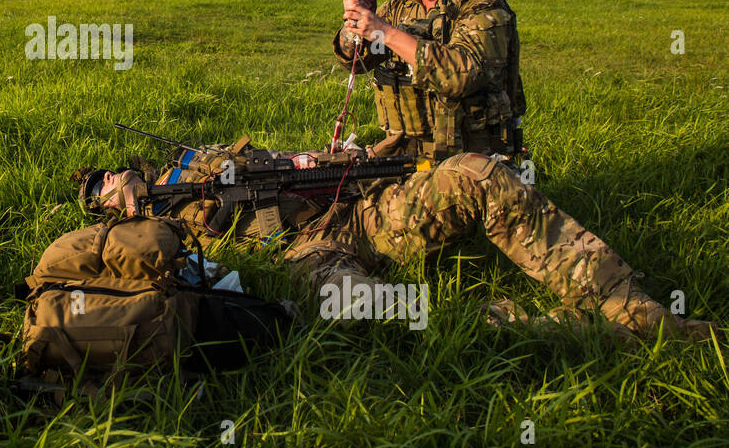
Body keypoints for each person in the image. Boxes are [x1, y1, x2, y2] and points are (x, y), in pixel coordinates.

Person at [77, 147, 720, 342]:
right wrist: (139, 220)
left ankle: (637, 312)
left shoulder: (201, 160)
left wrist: (328, 159)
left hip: (356, 213)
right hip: (304, 257)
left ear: (127, 166)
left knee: (477, 175)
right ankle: (571, 333)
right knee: (383, 315)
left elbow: (285, 161)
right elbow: (152, 265)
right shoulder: (138, 230)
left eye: (105, 176)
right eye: (97, 196)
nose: (107, 188)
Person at [336, 0, 525, 161]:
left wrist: (384, 31)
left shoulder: (481, 3)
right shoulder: (399, 9)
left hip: (474, 160)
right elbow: (354, 62)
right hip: (409, 155)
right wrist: (354, 23)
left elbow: (464, 74)